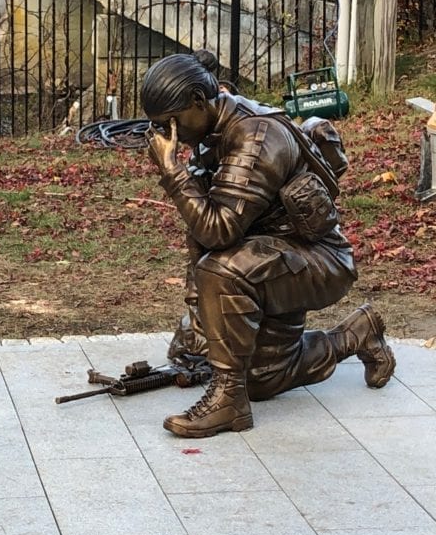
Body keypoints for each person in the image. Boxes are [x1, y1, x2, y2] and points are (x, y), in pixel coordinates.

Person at [141, 52, 396, 438]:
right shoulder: (212, 129)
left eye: (170, 122)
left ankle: (228, 403)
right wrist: (198, 313)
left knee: (220, 271)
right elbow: (200, 230)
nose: (164, 135)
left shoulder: (255, 137)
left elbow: (218, 231)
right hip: (269, 259)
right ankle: (357, 333)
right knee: (262, 377)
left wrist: (172, 172)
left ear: (198, 100)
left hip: (316, 260)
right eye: (158, 125)